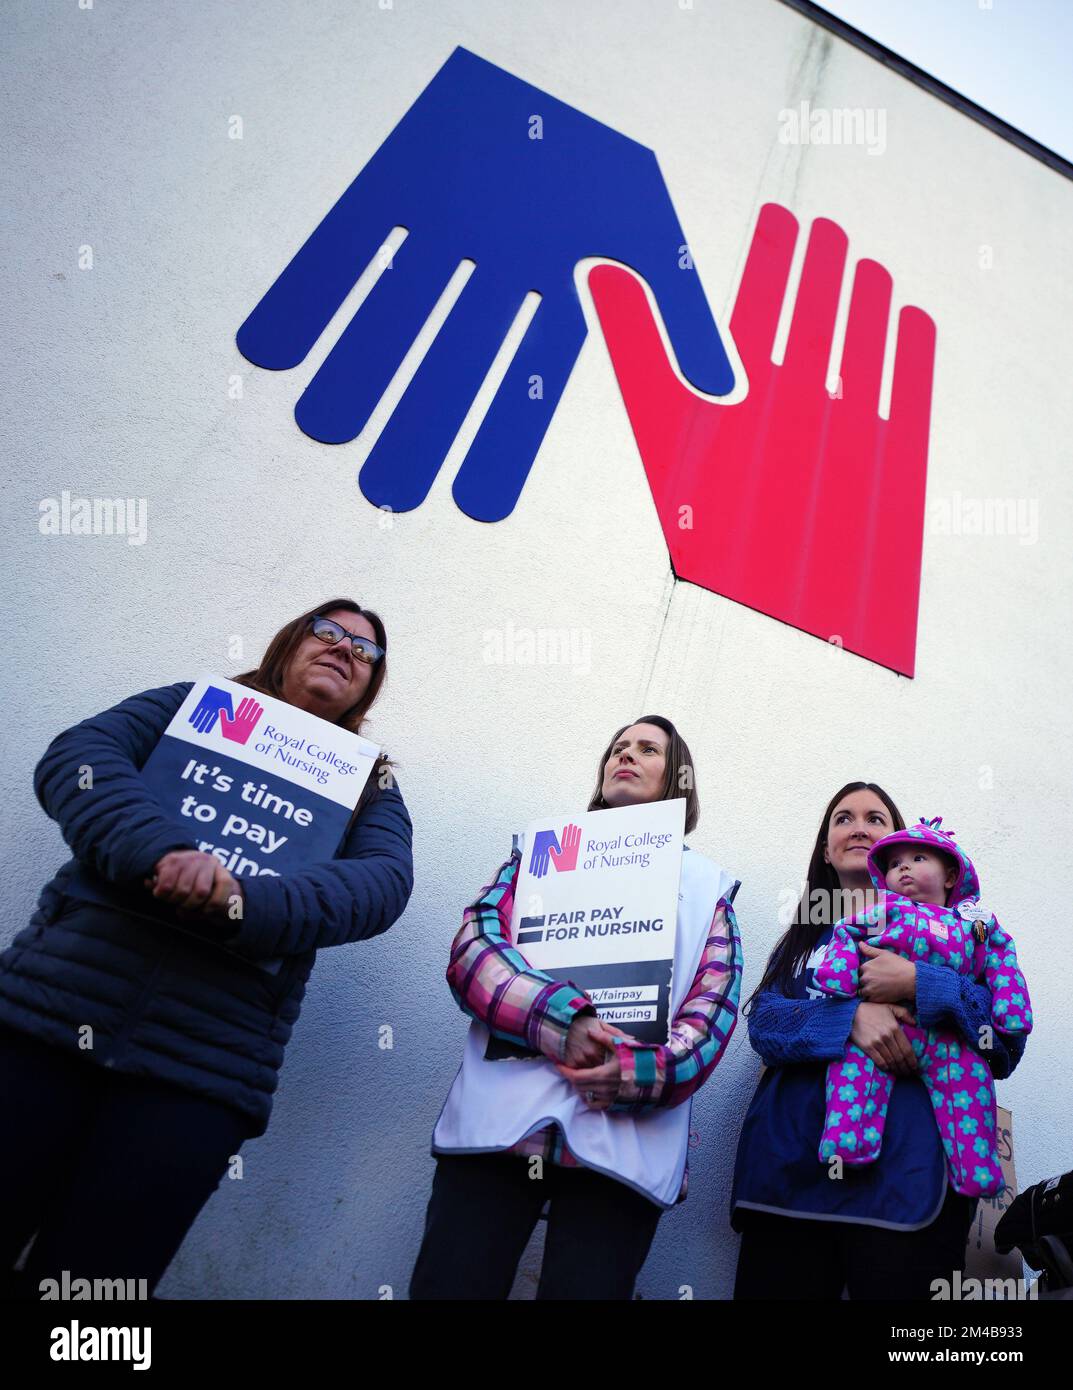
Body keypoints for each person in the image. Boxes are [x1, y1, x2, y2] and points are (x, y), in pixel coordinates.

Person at [0, 599, 413, 1297]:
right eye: (329, 633)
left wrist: (242, 902)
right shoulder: (193, 705)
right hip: (42, 1027)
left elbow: (380, 885)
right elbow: (79, 758)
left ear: (368, 687)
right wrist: (161, 852)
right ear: (287, 645)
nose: (346, 650)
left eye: (365, 652)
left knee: (96, 1299)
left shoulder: (369, 784)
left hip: (198, 1079)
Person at [410, 716, 743, 1301]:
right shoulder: (539, 853)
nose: (627, 755)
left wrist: (640, 1072)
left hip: (623, 1147)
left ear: (679, 777)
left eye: (647, 749)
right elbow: (473, 949)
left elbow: (713, 1009)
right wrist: (564, 1022)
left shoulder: (707, 885)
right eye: (618, 747)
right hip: (501, 1132)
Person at [730, 783, 1029, 1301]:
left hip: (912, 1185)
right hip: (790, 1180)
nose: (860, 827)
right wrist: (848, 1017)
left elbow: (1004, 1042)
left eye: (876, 818)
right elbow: (763, 1026)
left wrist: (922, 982)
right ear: (827, 848)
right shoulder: (803, 941)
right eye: (843, 819)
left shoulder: (964, 935)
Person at [815, 816, 1031, 1194]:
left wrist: (1010, 1010)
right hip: (881, 1033)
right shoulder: (886, 911)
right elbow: (846, 933)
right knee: (853, 1071)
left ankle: (977, 1166)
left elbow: (1000, 954)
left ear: (950, 876)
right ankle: (847, 1143)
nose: (904, 869)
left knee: (971, 1080)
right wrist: (841, 984)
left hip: (949, 1040)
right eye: (896, 864)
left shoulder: (973, 924)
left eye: (917, 859)